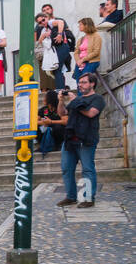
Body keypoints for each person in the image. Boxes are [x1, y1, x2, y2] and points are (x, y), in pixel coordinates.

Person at [59, 72, 106, 208]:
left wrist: (75, 101)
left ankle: (89, 198)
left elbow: (91, 113)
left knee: (87, 169)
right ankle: (71, 196)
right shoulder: (77, 99)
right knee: (66, 169)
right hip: (70, 139)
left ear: (92, 84)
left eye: (84, 82)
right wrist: (61, 101)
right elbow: (62, 113)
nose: (80, 85)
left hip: (86, 140)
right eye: (79, 83)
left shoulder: (98, 98)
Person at [75, 17, 102, 83]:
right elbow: (76, 52)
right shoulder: (81, 39)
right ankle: (79, 94)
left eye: (81, 24)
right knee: (78, 82)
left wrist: (83, 60)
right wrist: (78, 61)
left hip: (91, 62)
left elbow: (96, 52)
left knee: (85, 80)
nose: (79, 26)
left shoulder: (96, 36)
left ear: (86, 25)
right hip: (80, 63)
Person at [37, 89, 61, 154]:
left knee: (58, 127)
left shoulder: (60, 108)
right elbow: (35, 121)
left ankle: (58, 144)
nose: (44, 99)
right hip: (46, 127)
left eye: (45, 97)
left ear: (50, 99)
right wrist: (43, 122)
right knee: (35, 127)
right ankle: (41, 144)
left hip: (55, 128)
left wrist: (51, 122)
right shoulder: (43, 109)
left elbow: (65, 121)